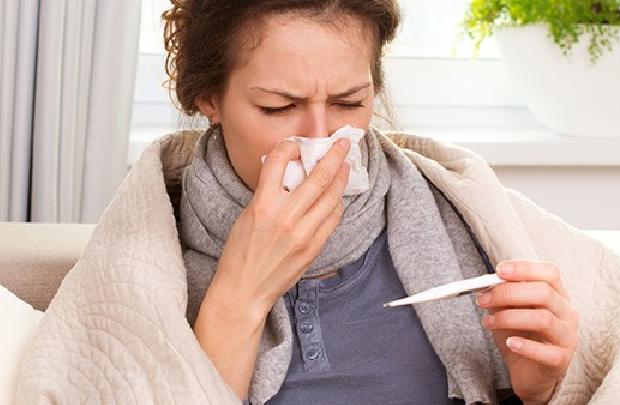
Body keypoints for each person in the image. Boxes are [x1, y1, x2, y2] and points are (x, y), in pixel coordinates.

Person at [163, 1, 579, 404]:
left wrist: (536, 393)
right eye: (279, 107)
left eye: (349, 103)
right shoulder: (152, 254)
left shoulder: (469, 216)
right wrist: (242, 293)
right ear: (209, 98)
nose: (323, 141)